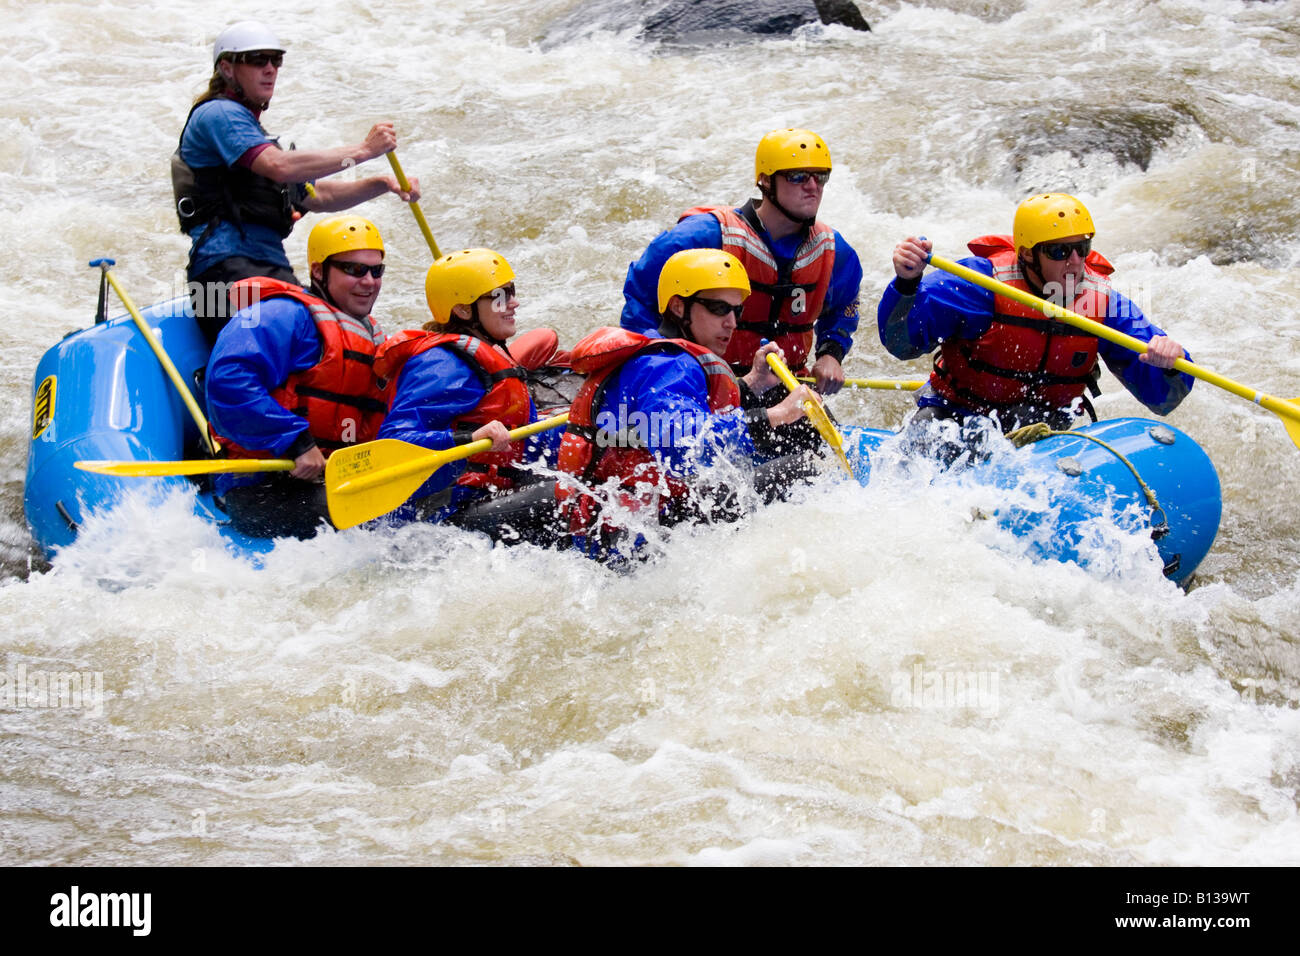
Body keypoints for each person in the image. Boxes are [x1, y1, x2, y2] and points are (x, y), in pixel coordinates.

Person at [173, 20, 419, 344]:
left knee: (344, 340)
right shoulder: (219, 114)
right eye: (258, 59)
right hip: (222, 273)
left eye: (276, 60)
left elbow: (319, 197)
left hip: (267, 268)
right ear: (227, 68)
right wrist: (364, 150)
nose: (270, 69)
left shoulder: (254, 139)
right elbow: (279, 166)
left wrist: (382, 184)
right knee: (297, 342)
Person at [562, 248, 820, 556]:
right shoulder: (665, 365)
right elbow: (687, 445)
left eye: (736, 311)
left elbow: (689, 414)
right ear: (678, 306)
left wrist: (754, 382)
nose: (731, 323)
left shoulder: (667, 359)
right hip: (627, 538)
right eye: (718, 308)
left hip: (629, 517)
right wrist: (777, 415)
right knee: (808, 467)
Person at [878, 192, 1193, 441]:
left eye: (1082, 248)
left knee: (1035, 425)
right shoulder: (979, 284)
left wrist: (1170, 363)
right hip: (955, 418)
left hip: (1043, 431)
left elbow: (1161, 399)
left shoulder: (1103, 304)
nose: (1075, 262)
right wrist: (907, 283)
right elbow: (900, 343)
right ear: (1027, 253)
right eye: (1059, 252)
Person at [619, 128, 863, 396]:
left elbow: (845, 306)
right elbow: (640, 298)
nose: (812, 187)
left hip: (786, 384)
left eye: (821, 177)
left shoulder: (833, 250)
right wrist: (661, 364)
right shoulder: (703, 236)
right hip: (705, 384)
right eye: (798, 176)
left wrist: (831, 353)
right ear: (766, 181)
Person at [204, 215, 390, 539]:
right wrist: (296, 441)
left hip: (331, 479)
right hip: (262, 488)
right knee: (388, 523)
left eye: (377, 271)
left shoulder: (370, 334)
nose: (369, 281)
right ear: (319, 271)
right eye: (355, 270)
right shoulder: (283, 314)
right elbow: (228, 380)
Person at [372, 249, 565, 542]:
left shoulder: (486, 360)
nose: (514, 303)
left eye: (512, 292)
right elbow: (393, 443)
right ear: (463, 310)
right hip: (443, 514)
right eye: (500, 295)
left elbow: (531, 444)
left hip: (488, 495)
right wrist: (467, 439)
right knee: (567, 497)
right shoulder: (443, 364)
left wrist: (590, 429)